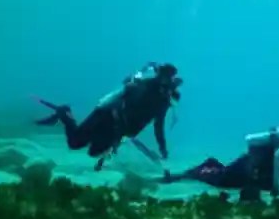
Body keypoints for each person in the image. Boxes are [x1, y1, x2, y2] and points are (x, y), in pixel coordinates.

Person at [37, 62, 182, 170]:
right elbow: (124, 99)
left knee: (93, 152)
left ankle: (66, 117)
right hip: (105, 116)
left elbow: (159, 126)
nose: (165, 81)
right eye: (164, 76)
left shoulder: (163, 101)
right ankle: (64, 113)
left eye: (168, 78)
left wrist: (162, 148)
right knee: (75, 143)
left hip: (117, 130)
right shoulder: (143, 86)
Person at [162, 121, 279, 201]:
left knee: (222, 176)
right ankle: (178, 176)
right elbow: (278, 162)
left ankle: (207, 166)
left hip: (255, 174)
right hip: (248, 170)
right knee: (219, 179)